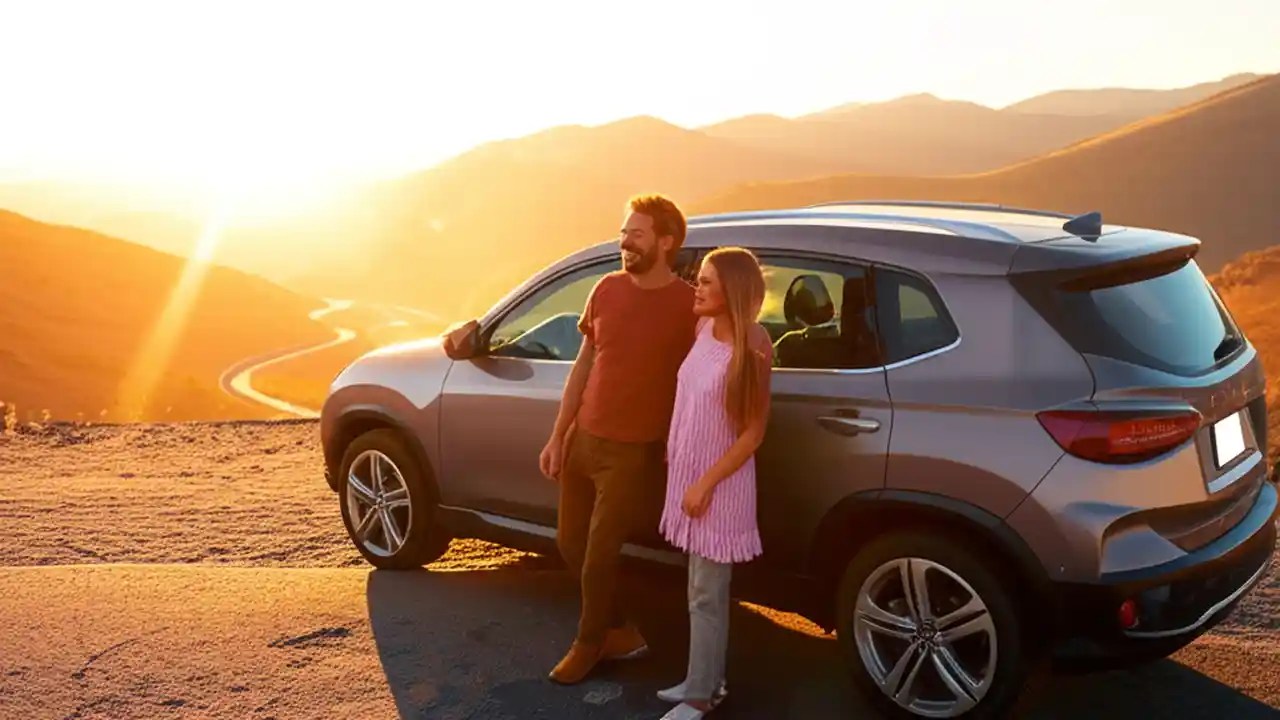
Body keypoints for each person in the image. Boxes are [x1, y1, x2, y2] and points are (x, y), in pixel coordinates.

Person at [540, 193, 698, 685]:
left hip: (632, 452)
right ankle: (620, 630)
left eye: (636, 234)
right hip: (584, 438)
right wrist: (558, 434)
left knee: (600, 553)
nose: (625, 242)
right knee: (570, 543)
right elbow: (584, 364)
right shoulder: (606, 289)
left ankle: (589, 643)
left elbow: (702, 377)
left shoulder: (687, 305)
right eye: (624, 232)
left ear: (666, 242)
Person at [655, 247, 772, 719]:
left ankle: (700, 696)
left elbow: (753, 433)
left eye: (706, 281)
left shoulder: (753, 345)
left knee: (707, 592)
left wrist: (705, 484)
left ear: (732, 291)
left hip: (719, 487)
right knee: (698, 588)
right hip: (690, 476)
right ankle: (703, 678)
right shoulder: (703, 329)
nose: (696, 288)